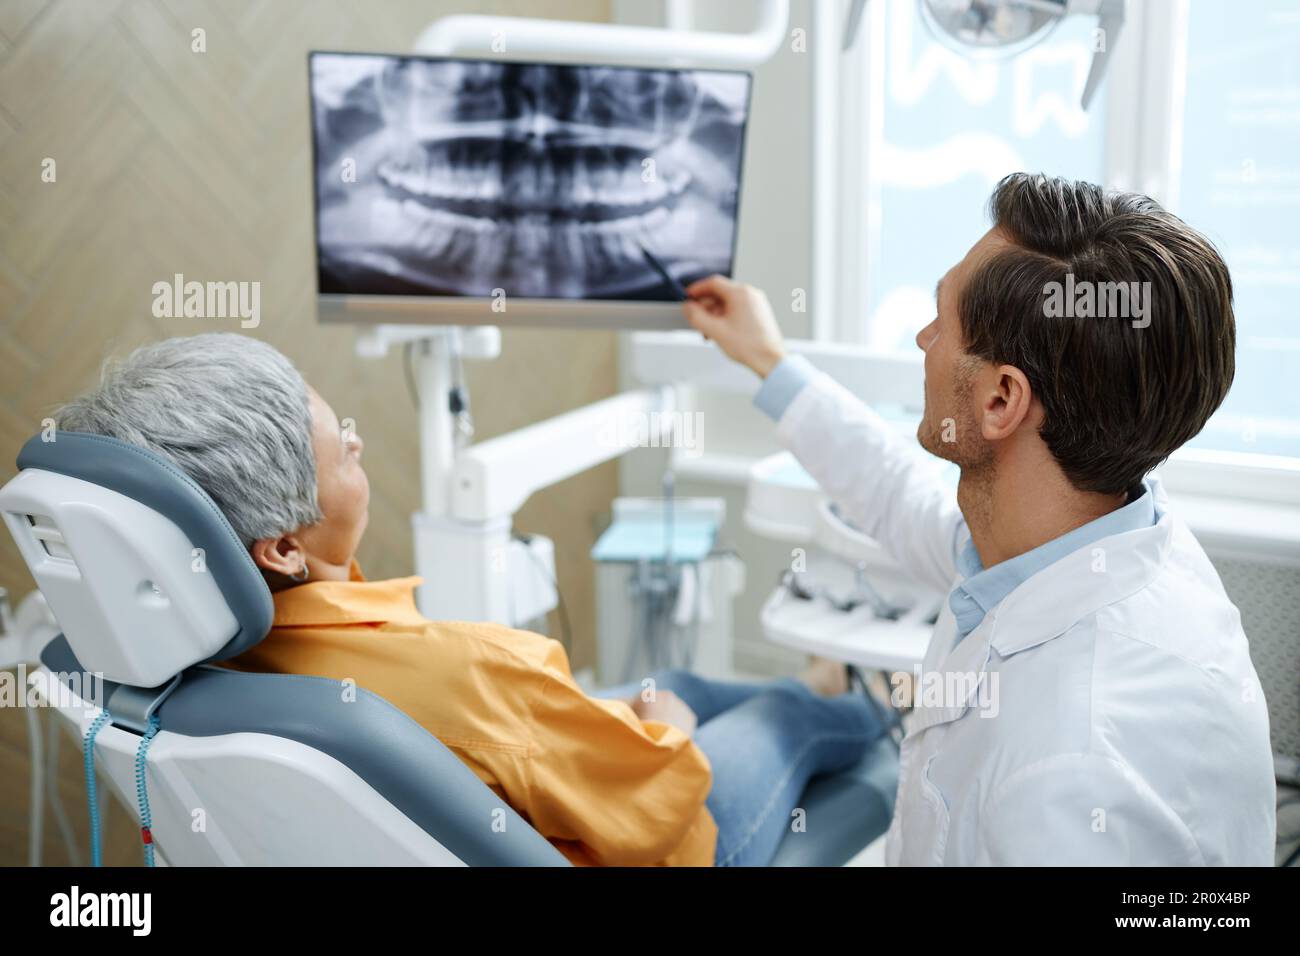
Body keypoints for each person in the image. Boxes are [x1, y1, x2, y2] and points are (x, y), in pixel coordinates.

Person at [53, 332, 886, 867]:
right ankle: (873, 708)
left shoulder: (179, 668)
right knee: (772, 716)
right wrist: (668, 727)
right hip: (671, 847)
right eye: (338, 449)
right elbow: (660, 804)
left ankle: (814, 685)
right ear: (281, 547)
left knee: (677, 680)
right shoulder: (473, 669)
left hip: (535, 775)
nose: (357, 441)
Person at [682, 172, 1276, 865]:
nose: (923, 337)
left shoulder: (1072, 773)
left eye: (942, 319)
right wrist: (767, 359)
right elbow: (901, 497)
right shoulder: (1094, 528)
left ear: (1001, 400)